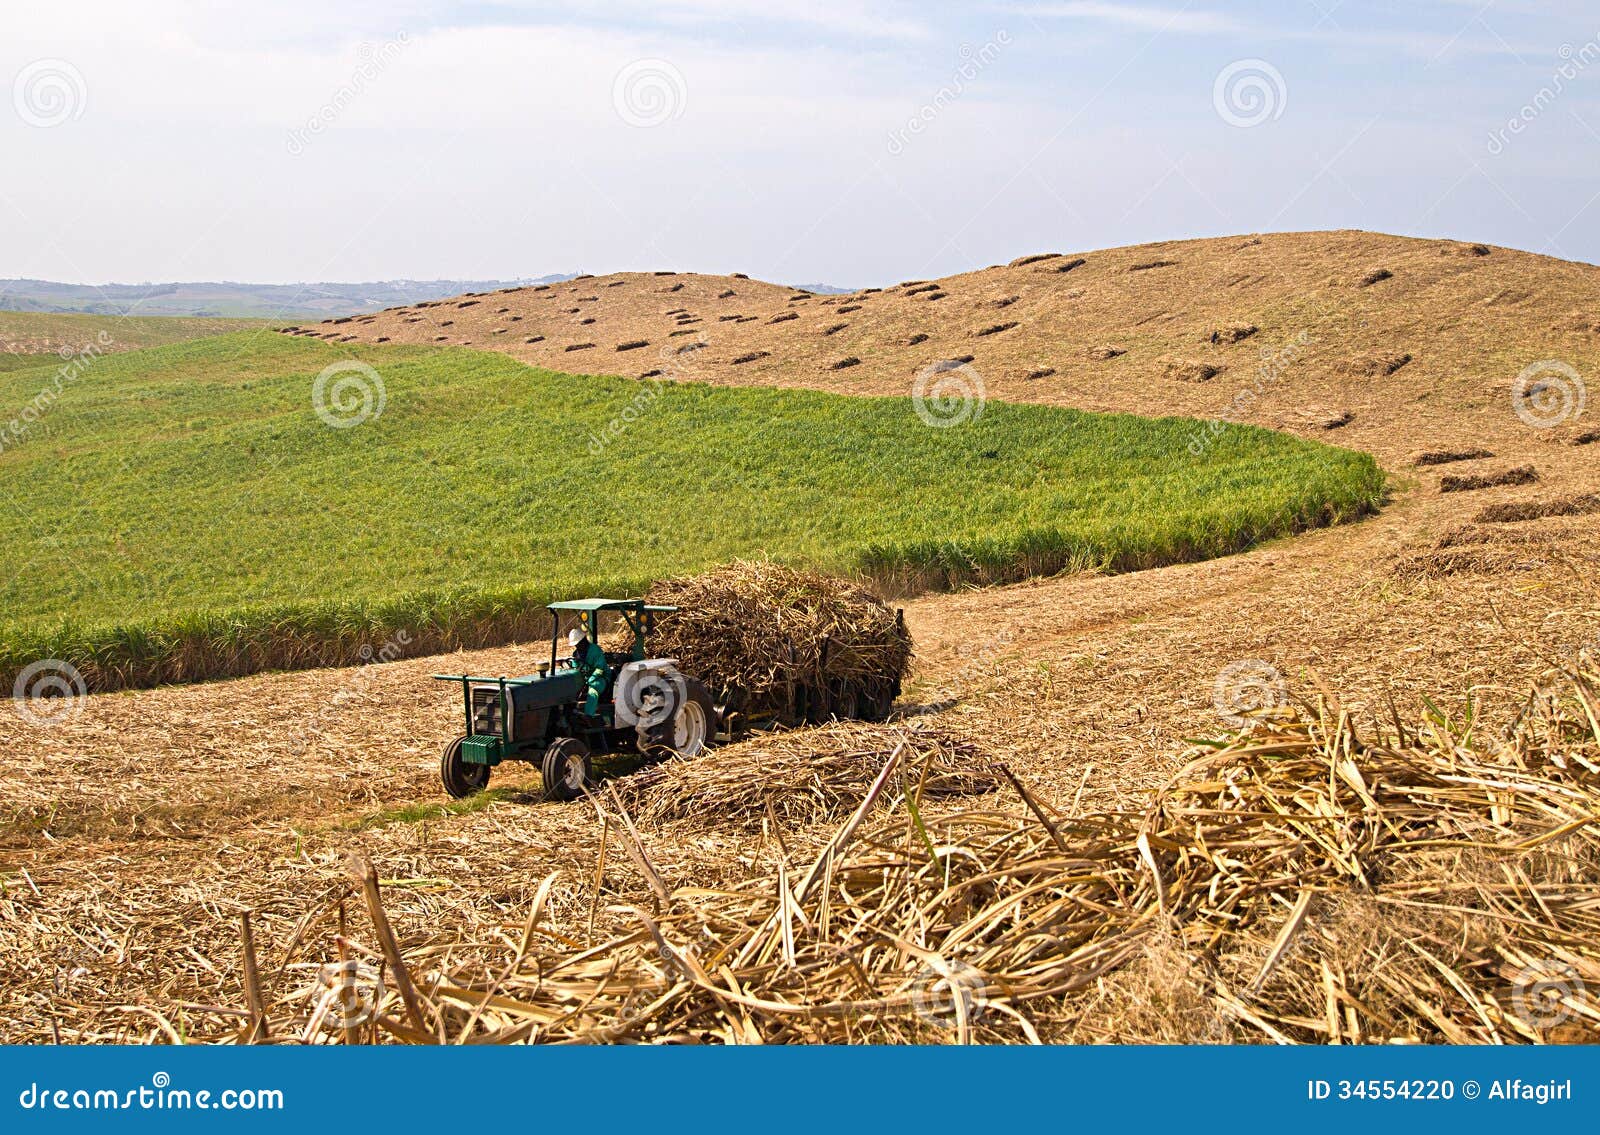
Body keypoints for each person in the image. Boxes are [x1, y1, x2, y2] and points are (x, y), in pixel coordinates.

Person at [568, 626, 610, 715]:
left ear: (584, 640)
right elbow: (576, 668)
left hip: (600, 678)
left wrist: (591, 679)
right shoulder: (576, 654)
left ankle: (589, 715)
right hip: (585, 679)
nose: (576, 646)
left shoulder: (595, 650)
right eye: (575, 644)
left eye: (578, 643)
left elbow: (600, 669)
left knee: (592, 690)